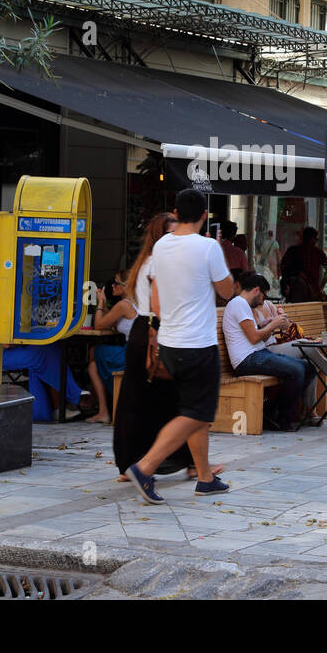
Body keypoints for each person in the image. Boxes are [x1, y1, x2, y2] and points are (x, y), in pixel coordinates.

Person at [126, 189, 235, 504]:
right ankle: (145, 467)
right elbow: (227, 291)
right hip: (198, 344)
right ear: (204, 216)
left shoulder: (161, 246)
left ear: (176, 212)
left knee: (193, 407)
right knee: (197, 413)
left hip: (169, 344)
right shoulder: (208, 247)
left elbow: (158, 298)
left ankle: (204, 477)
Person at [113, 212, 195, 481]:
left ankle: (131, 463)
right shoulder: (162, 264)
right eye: (174, 233)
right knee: (178, 400)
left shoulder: (145, 262)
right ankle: (191, 463)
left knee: (137, 400)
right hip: (157, 333)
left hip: (143, 332)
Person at [221, 273, 315, 431]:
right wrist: (274, 325)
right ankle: (282, 419)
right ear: (257, 290)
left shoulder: (242, 304)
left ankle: (271, 410)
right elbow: (253, 338)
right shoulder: (239, 304)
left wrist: (266, 323)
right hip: (247, 360)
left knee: (308, 368)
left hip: (258, 355)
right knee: (297, 370)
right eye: (264, 296)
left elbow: (253, 332)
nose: (263, 301)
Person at [85, 272, 136, 423]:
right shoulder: (132, 303)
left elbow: (99, 324)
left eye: (116, 283)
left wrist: (100, 303)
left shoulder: (124, 305)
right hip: (135, 352)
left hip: (130, 354)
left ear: (126, 286)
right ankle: (103, 411)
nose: (112, 286)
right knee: (93, 366)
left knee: (95, 350)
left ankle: (98, 401)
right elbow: (112, 321)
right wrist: (106, 304)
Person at [279, 227, 327, 303]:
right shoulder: (317, 253)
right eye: (316, 239)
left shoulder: (293, 251)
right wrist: (320, 287)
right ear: (312, 239)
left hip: (298, 292)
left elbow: (283, 267)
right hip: (311, 291)